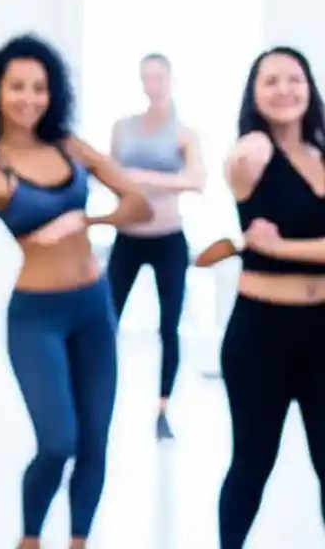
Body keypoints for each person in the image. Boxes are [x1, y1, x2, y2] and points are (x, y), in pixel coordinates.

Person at [0, 34, 152, 549]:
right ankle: (29, 539)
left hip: (93, 309)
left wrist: (88, 219)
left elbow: (139, 204)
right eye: (17, 87)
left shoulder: (71, 148)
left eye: (39, 87)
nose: (30, 98)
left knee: (94, 442)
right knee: (58, 441)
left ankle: (78, 541)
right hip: (37, 319)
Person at [212, 47, 325, 549]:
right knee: (252, 462)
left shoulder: (321, 154)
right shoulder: (251, 156)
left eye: (294, 79)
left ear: (310, 88)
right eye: (270, 81)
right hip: (261, 334)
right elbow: (236, 163)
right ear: (253, 94)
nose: (284, 89)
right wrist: (248, 146)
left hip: (321, 331)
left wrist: (281, 247)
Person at [106, 53, 206, 440]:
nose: (153, 84)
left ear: (170, 79)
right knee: (106, 321)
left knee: (169, 327)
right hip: (128, 237)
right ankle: (98, 399)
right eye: (146, 77)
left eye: (158, 77)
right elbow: (109, 173)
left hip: (168, 238)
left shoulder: (184, 133)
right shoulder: (122, 129)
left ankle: (163, 409)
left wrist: (146, 178)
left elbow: (197, 180)